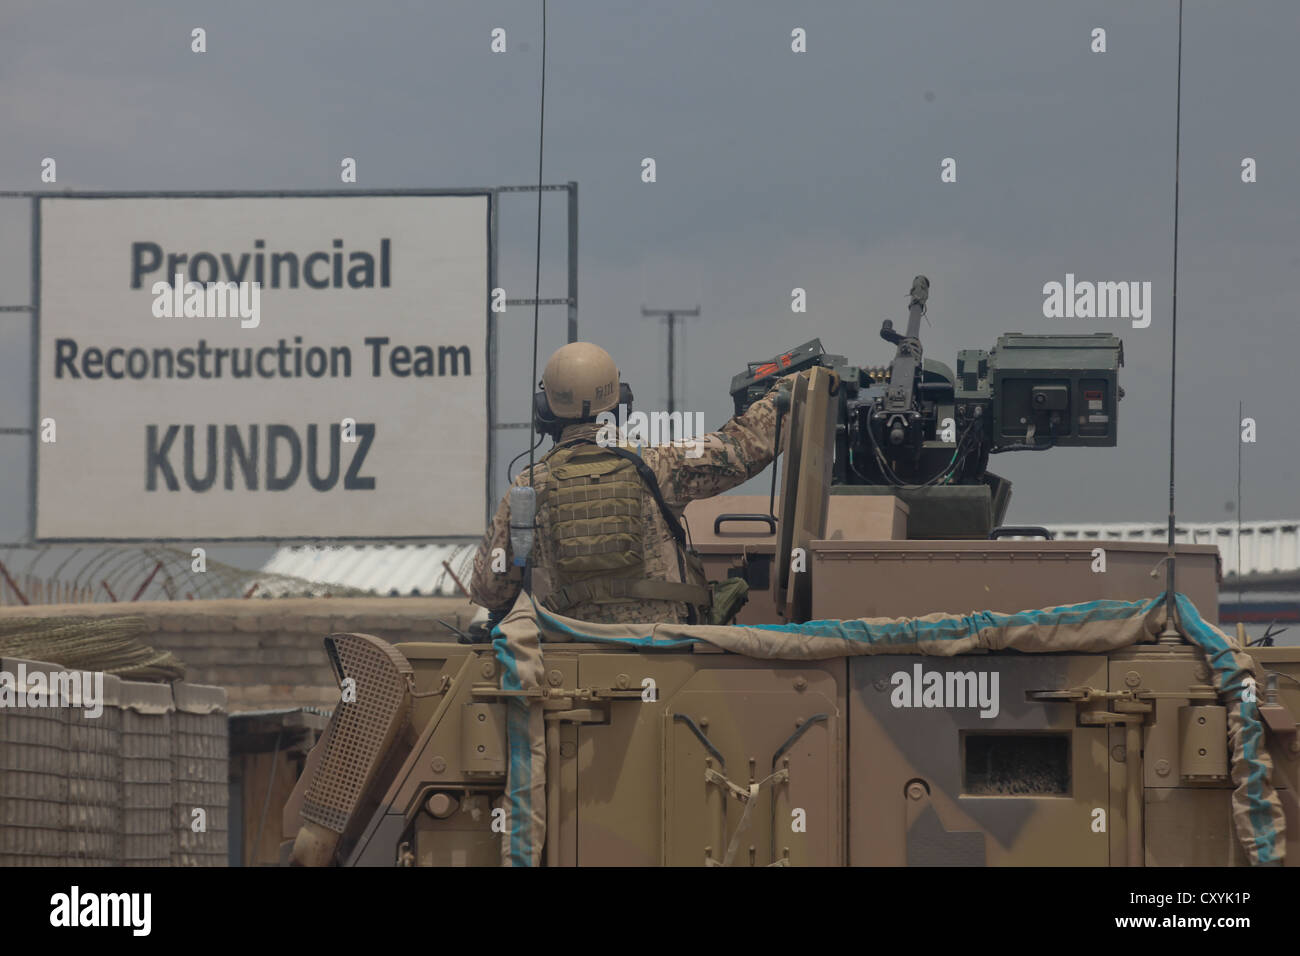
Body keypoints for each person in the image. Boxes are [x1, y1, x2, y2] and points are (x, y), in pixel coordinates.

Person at [470, 341, 801, 626]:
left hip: (572, 656)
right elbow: (746, 449)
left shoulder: (528, 487)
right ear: (618, 401)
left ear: (545, 409)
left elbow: (489, 589)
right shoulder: (660, 465)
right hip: (664, 649)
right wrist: (788, 391)